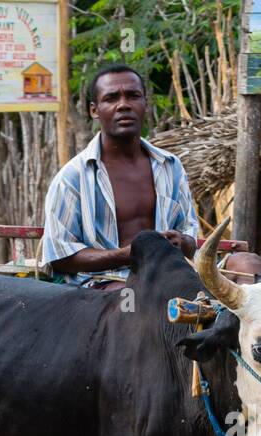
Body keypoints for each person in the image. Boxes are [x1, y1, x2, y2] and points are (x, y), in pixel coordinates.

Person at [43, 64, 199, 289]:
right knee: (137, 300)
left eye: (133, 96)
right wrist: (127, 255)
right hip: (104, 283)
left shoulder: (170, 166)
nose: (123, 105)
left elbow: (189, 235)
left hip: (167, 275)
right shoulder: (73, 177)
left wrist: (180, 243)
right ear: (94, 110)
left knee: (246, 264)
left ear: (146, 103)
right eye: (111, 98)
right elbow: (59, 255)